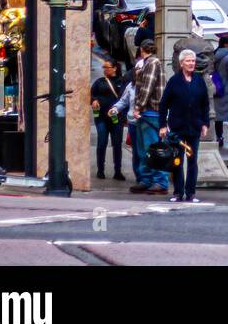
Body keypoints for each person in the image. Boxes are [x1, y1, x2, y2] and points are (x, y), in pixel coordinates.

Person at [159, 48, 211, 203]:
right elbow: (163, 105)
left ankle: (191, 193)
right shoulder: (174, 81)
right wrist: (162, 125)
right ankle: (177, 192)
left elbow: (205, 105)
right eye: (188, 61)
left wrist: (205, 124)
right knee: (177, 161)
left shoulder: (199, 81)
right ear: (181, 63)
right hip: (177, 128)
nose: (191, 64)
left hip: (194, 127)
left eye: (193, 61)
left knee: (192, 161)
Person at [129, 39, 168, 195]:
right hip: (148, 111)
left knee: (153, 148)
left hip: (151, 111)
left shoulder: (152, 63)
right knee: (143, 149)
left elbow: (147, 87)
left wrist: (138, 107)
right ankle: (147, 180)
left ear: (141, 50)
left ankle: (159, 181)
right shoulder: (150, 63)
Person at [90, 59, 126, 180]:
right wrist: (93, 100)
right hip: (101, 118)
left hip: (117, 118)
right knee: (102, 142)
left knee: (117, 144)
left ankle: (118, 171)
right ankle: (100, 170)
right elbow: (91, 94)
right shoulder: (99, 82)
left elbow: (126, 99)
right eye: (103, 67)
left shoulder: (122, 82)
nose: (104, 69)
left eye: (107, 67)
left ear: (115, 68)